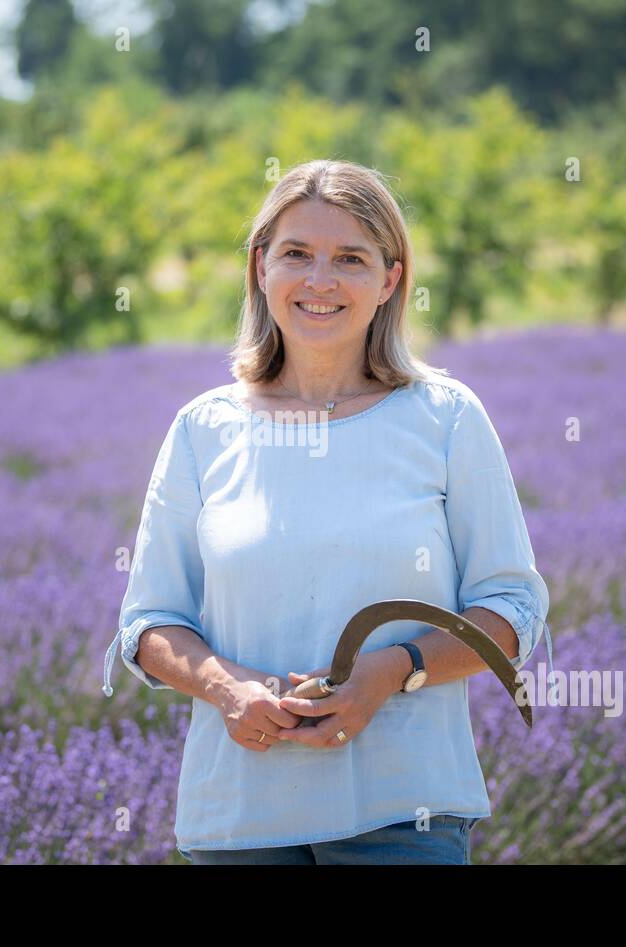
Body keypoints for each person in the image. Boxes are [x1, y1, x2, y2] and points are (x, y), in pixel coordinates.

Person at [101, 159, 553, 864]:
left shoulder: (445, 419)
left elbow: (511, 610)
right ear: (259, 268)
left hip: (405, 812)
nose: (320, 281)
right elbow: (150, 623)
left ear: (390, 279)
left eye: (350, 258)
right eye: (296, 255)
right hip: (240, 819)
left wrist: (393, 671)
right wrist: (225, 687)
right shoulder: (202, 429)